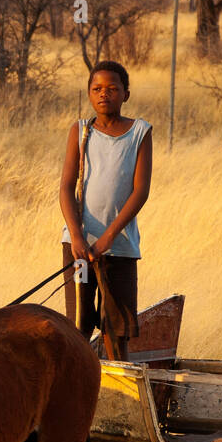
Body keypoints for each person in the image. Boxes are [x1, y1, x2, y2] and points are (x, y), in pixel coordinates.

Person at [59, 60, 153, 361]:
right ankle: (79, 394)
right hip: (80, 246)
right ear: (89, 93)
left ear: (126, 93)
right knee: (78, 327)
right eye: (97, 89)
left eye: (112, 89)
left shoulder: (140, 132)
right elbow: (65, 187)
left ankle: (120, 398)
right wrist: (76, 236)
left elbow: (140, 191)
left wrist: (109, 237)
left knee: (117, 329)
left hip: (120, 246)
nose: (104, 94)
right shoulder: (81, 131)